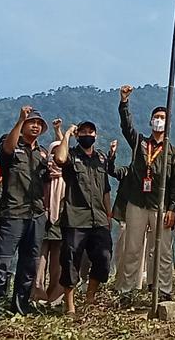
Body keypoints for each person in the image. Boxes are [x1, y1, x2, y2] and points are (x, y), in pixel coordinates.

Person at [0, 106, 49, 321]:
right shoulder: (10, 144)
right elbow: (6, 151)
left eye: (38, 123)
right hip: (12, 214)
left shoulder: (42, 152)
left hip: (36, 214)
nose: (35, 126)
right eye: (32, 122)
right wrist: (20, 120)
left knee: (29, 264)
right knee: (2, 265)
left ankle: (20, 307)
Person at [115, 86, 175, 305]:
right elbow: (127, 128)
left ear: (168, 123)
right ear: (150, 121)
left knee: (162, 251)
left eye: (162, 118)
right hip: (137, 202)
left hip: (161, 206)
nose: (159, 121)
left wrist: (173, 208)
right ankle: (126, 290)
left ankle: (163, 289)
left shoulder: (172, 152)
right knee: (132, 248)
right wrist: (124, 102)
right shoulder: (139, 143)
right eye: (156, 117)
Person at [54, 121, 112, 314]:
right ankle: (69, 305)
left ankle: (89, 298)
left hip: (99, 218)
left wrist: (108, 214)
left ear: (96, 135)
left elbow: (105, 189)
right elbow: (59, 158)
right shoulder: (71, 155)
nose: (88, 134)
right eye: (83, 132)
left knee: (103, 258)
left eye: (91, 131)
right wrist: (68, 133)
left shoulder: (101, 158)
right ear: (78, 135)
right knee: (70, 261)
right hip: (75, 217)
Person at [32, 130, 67, 307]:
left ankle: (55, 297)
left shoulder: (68, 176)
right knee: (39, 259)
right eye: (52, 153)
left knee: (58, 261)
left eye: (58, 152)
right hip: (42, 219)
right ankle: (37, 295)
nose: (54, 157)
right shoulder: (41, 174)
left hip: (61, 222)